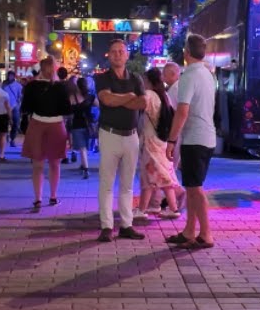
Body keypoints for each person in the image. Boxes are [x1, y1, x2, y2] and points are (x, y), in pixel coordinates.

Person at [165, 34, 218, 249]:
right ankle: (189, 231)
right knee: (191, 187)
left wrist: (171, 140)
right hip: (207, 136)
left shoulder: (188, 76)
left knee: (195, 188)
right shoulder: (207, 74)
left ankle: (205, 234)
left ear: (186, 52)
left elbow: (182, 111)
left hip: (194, 138)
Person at [93, 40, 147, 243]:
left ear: (127, 55)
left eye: (121, 51)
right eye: (114, 51)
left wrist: (119, 99)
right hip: (109, 134)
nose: (117, 54)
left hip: (131, 136)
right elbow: (106, 100)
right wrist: (129, 96)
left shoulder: (136, 78)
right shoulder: (102, 78)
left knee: (127, 185)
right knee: (106, 184)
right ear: (109, 55)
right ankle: (107, 226)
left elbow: (143, 102)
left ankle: (126, 225)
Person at [23, 57, 71, 207]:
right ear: (55, 69)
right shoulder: (61, 87)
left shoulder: (31, 86)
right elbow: (67, 110)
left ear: (41, 69)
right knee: (55, 164)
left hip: (37, 124)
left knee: (37, 164)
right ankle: (53, 196)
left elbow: (25, 108)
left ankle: (38, 198)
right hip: (56, 125)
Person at [137, 68, 182, 221]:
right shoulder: (164, 96)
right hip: (162, 141)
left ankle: (142, 210)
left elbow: (137, 105)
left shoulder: (149, 95)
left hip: (151, 142)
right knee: (164, 178)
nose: (143, 83)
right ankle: (173, 208)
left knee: (149, 177)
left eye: (144, 80)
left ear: (149, 81)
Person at [67, 76, 95, 177]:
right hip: (88, 125)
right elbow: (99, 106)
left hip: (77, 125)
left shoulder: (72, 97)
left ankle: (86, 169)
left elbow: (69, 111)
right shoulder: (90, 97)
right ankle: (83, 165)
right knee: (85, 147)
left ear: (77, 86)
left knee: (82, 148)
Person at [3, 72, 23, 147]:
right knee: (5, 123)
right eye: (9, 75)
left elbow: (20, 96)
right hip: (5, 107)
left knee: (15, 123)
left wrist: (18, 104)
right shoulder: (4, 85)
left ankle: (12, 139)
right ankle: (6, 136)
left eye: (11, 76)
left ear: (14, 76)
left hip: (15, 107)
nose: (10, 77)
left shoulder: (18, 86)